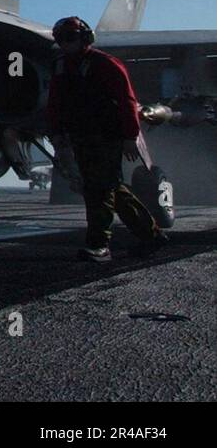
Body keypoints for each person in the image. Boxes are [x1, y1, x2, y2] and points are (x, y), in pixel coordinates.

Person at [47, 15, 166, 262]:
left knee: (98, 190)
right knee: (112, 188)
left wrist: (130, 136)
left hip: (106, 136)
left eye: (70, 38)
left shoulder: (105, 64)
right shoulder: (61, 66)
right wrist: (56, 134)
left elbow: (127, 101)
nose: (65, 44)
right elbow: (56, 104)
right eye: (61, 39)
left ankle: (99, 245)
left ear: (84, 38)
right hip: (80, 137)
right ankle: (151, 234)